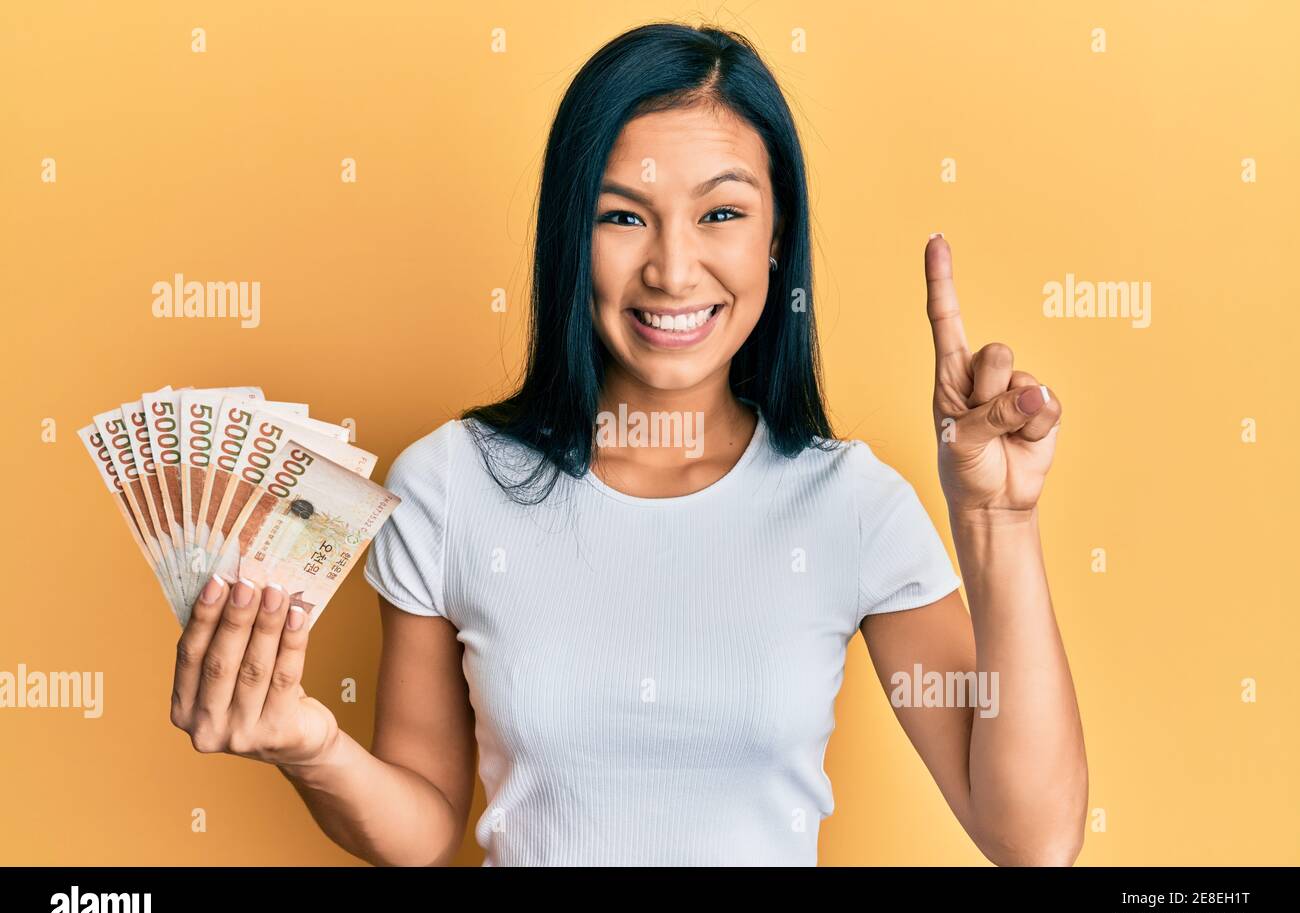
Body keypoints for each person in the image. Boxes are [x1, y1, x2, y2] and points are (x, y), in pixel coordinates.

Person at [169, 21, 1086, 867]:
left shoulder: (849, 506)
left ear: (778, 238)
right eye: (622, 215)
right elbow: (424, 823)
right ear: (571, 237)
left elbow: (1031, 838)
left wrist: (997, 522)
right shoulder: (451, 487)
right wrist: (310, 746)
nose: (673, 269)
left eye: (721, 214)